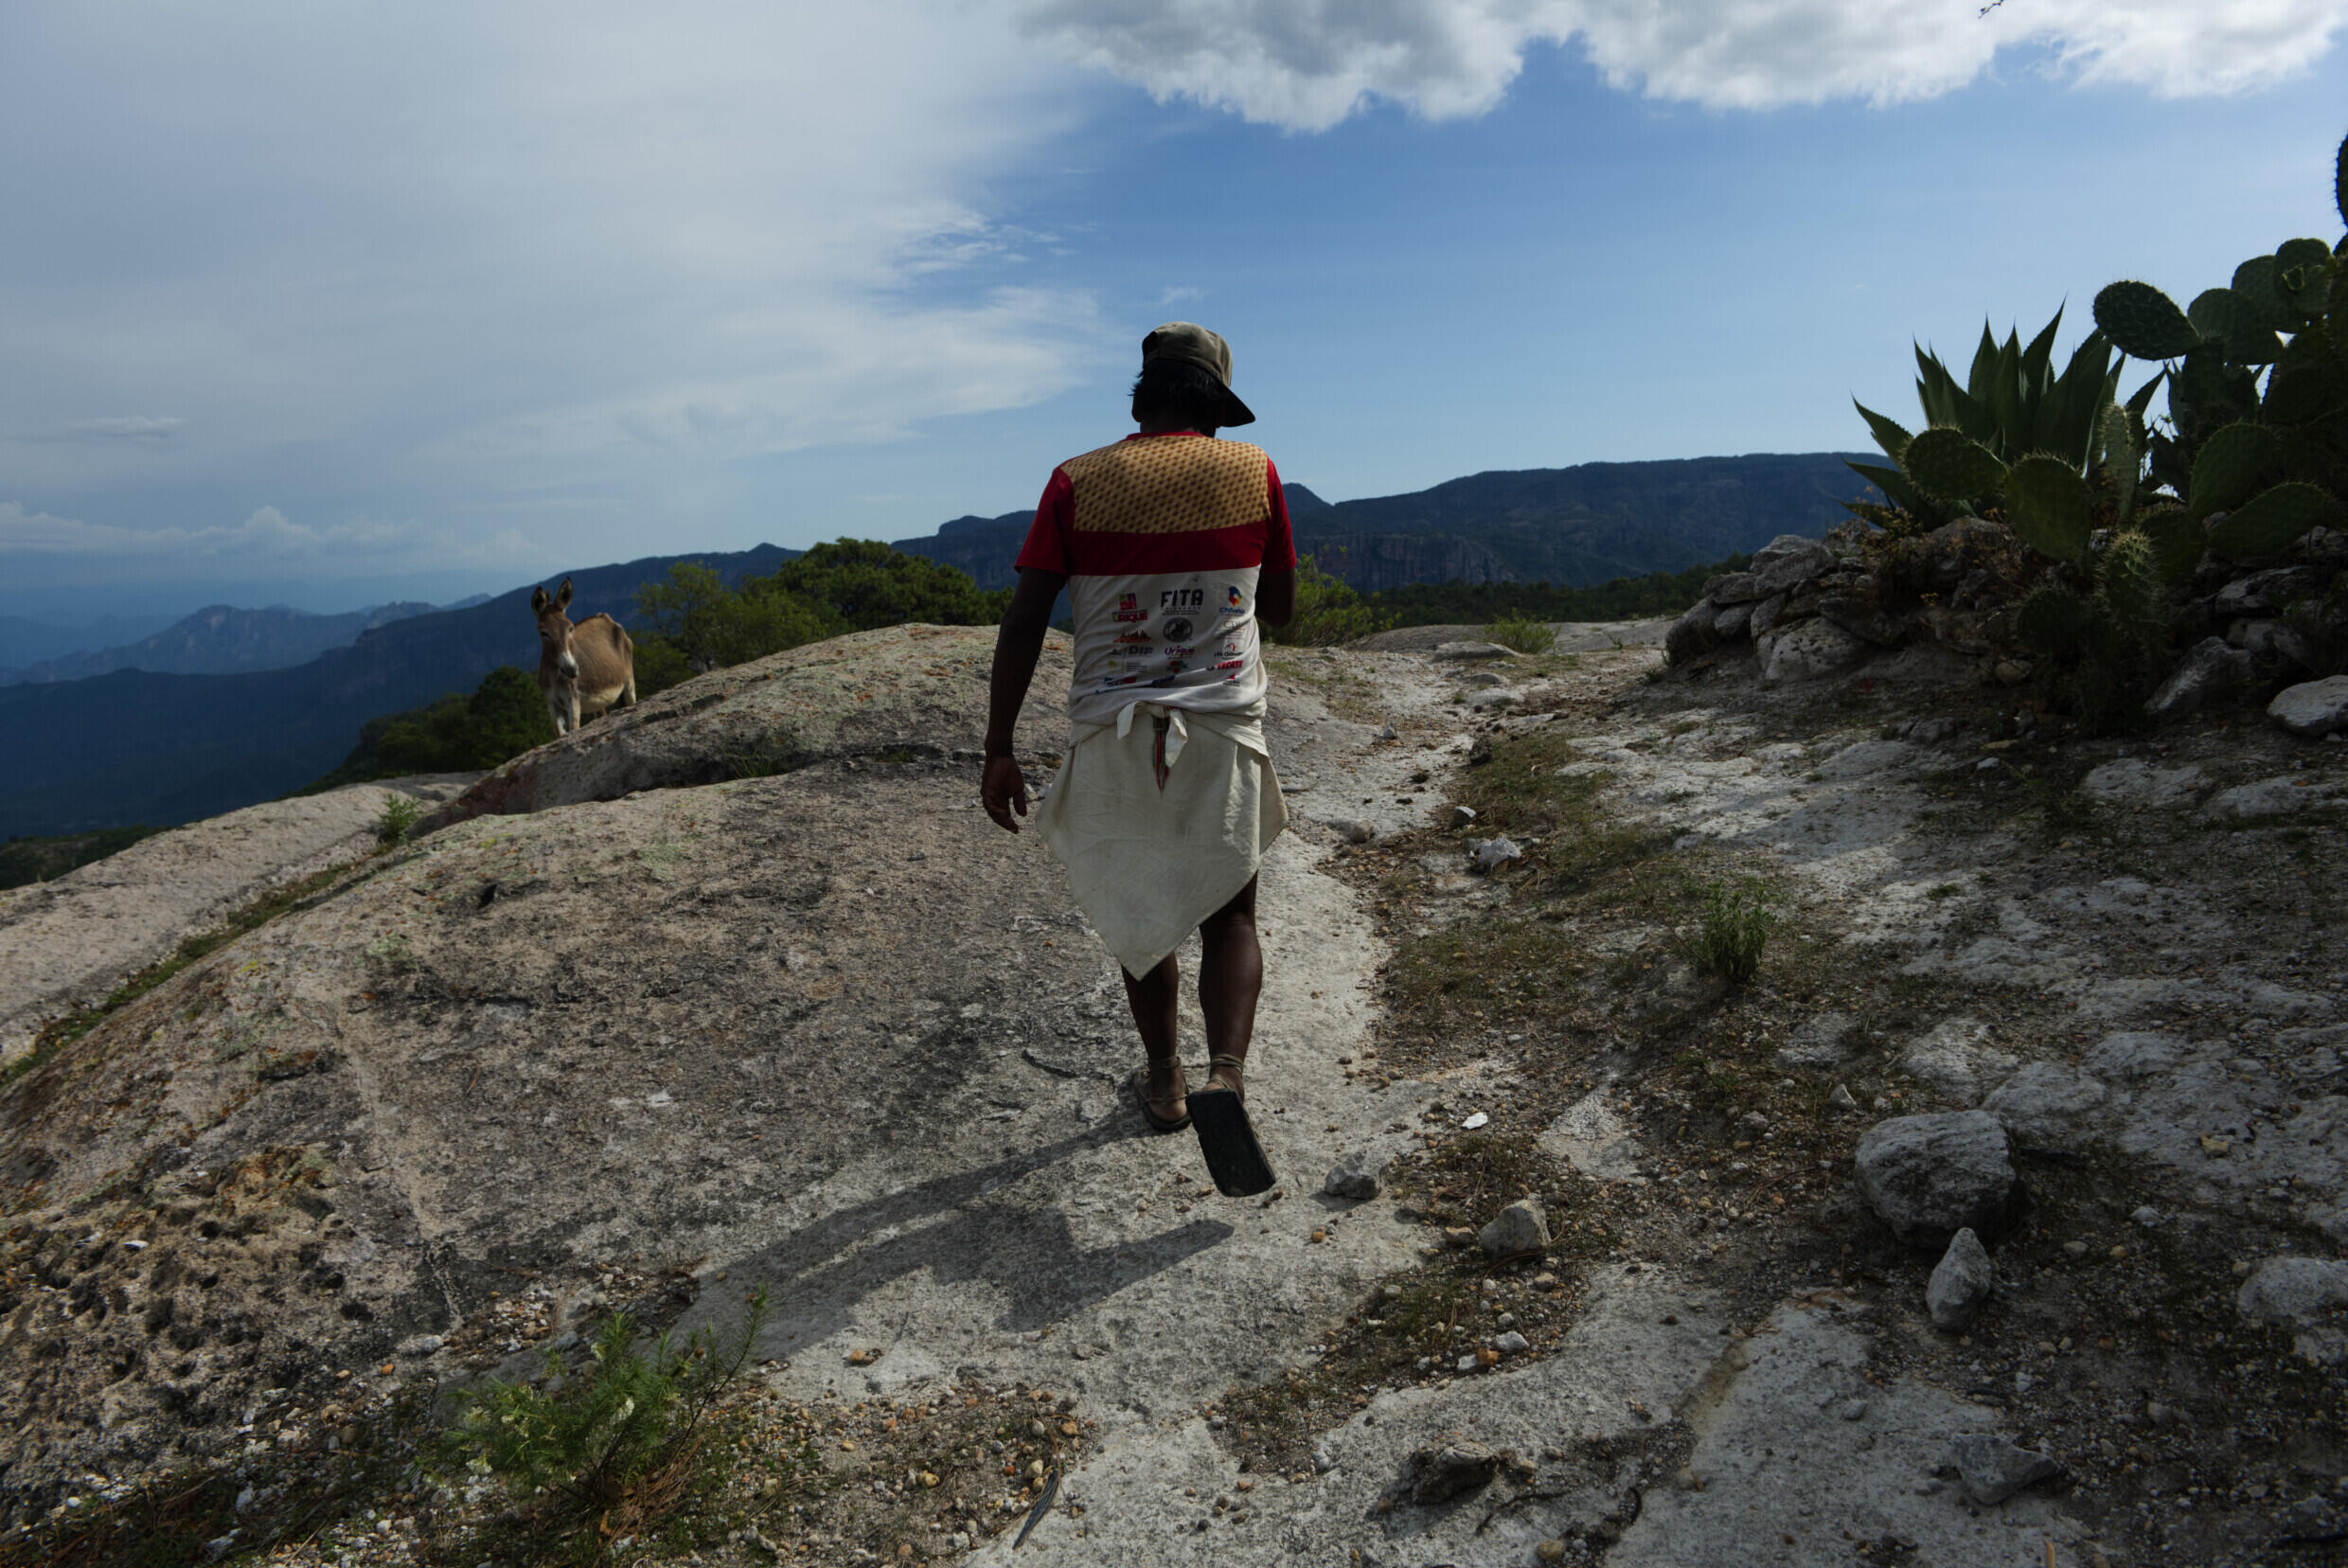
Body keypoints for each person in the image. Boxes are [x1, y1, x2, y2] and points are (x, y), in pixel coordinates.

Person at [980, 323, 1296, 1194]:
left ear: (1141, 395)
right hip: (1221, 724)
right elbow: (1287, 605)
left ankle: (1164, 1081)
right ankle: (1225, 1073)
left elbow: (1024, 619)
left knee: (1140, 916)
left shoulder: (1075, 481)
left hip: (1114, 732)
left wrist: (1000, 746)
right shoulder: (1255, 472)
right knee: (1231, 917)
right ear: (1213, 406)